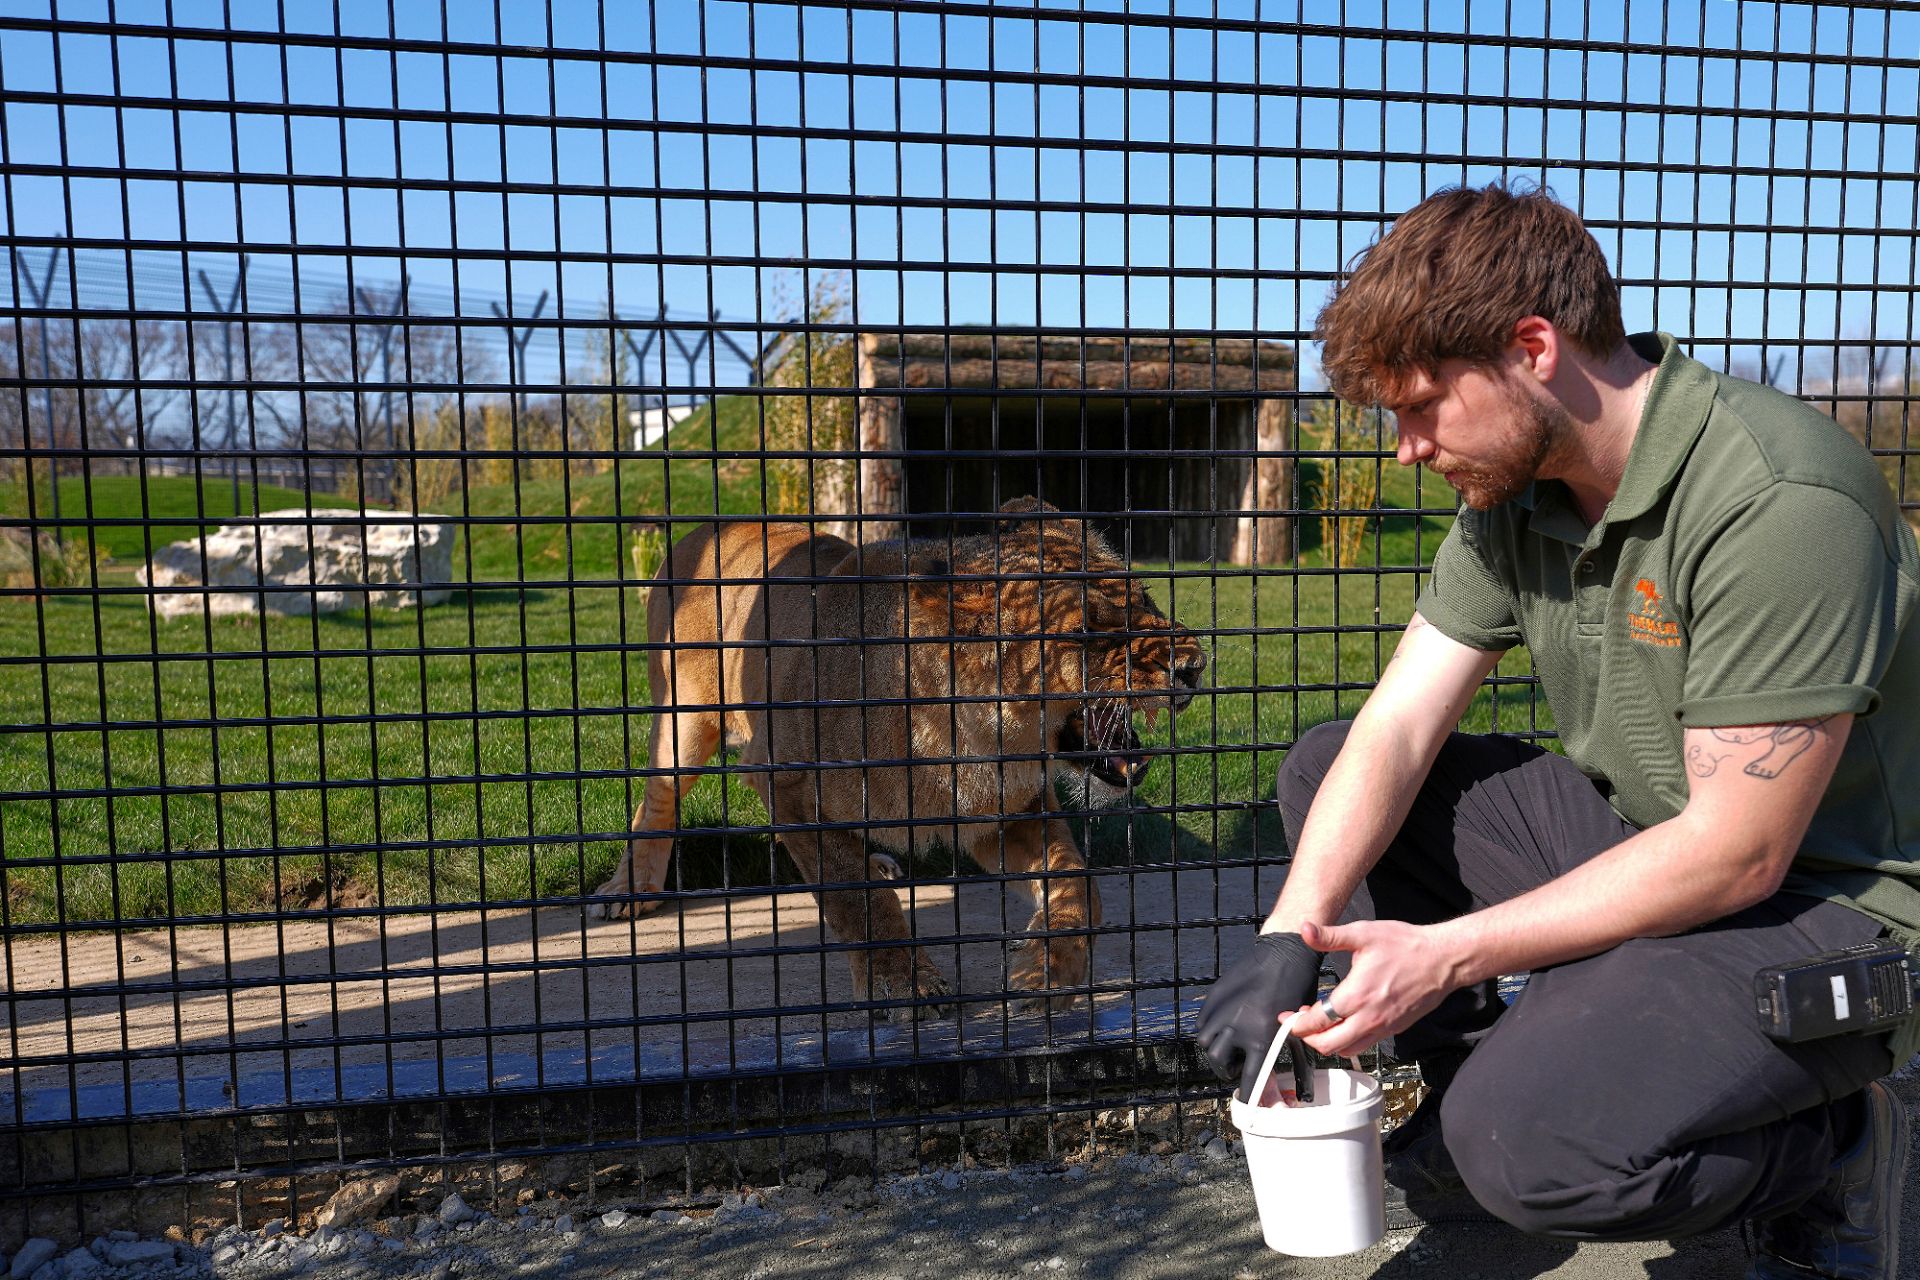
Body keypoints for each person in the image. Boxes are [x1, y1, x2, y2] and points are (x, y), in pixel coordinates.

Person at [1195, 183, 1919, 1278]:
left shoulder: (1777, 498)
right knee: (1325, 766)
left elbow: (1741, 850)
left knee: (1529, 1142)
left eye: (1422, 406)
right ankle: (1486, 1106)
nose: (1404, 451)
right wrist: (1288, 934)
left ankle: (1841, 1144)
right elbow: (1396, 725)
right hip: (1655, 832)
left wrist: (1445, 954)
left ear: (1533, 346)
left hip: (1829, 898)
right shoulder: (1514, 495)